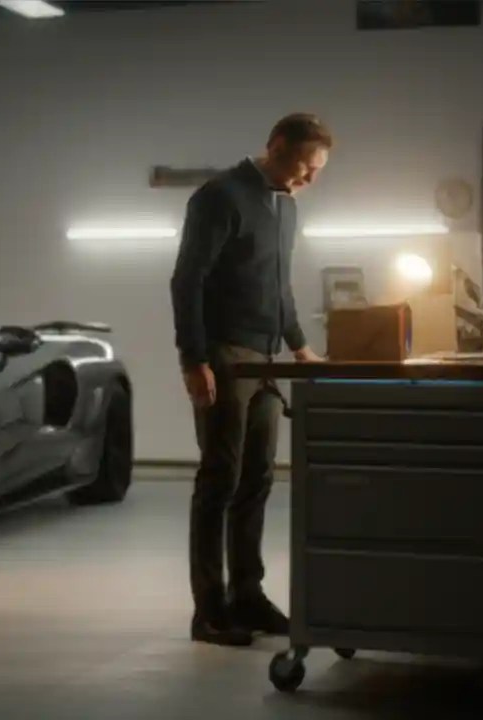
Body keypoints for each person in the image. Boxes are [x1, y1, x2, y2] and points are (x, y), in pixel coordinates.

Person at [169, 113, 332, 646]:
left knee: (258, 479)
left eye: (317, 171)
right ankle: (210, 610)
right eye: (304, 166)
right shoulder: (220, 196)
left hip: (266, 360)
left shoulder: (286, 206)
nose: (309, 179)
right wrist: (194, 359)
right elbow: (187, 279)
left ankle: (248, 596)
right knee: (221, 477)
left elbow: (280, 287)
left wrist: (300, 347)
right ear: (277, 146)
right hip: (224, 352)